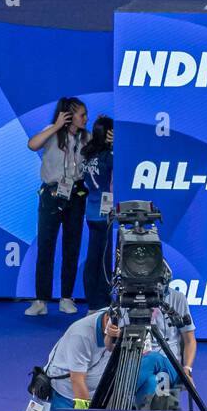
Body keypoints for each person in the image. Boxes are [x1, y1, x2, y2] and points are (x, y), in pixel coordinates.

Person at [41, 294, 196, 411]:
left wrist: (186, 370)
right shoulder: (80, 334)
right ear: (108, 323)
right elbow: (77, 381)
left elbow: (138, 355)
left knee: (153, 371)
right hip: (67, 394)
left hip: (106, 388)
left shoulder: (121, 317)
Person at [24, 97, 89, 318]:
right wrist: (57, 126)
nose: (85, 119)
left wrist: (102, 130)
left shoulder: (85, 137)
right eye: (82, 115)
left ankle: (66, 298)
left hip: (76, 194)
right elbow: (32, 145)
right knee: (46, 246)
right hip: (51, 195)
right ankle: (41, 299)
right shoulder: (51, 132)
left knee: (72, 246)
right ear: (68, 115)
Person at [81, 115, 114, 312]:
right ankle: (101, 303)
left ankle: (92, 302)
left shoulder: (89, 154)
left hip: (91, 212)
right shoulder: (109, 157)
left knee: (93, 257)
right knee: (103, 259)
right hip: (105, 215)